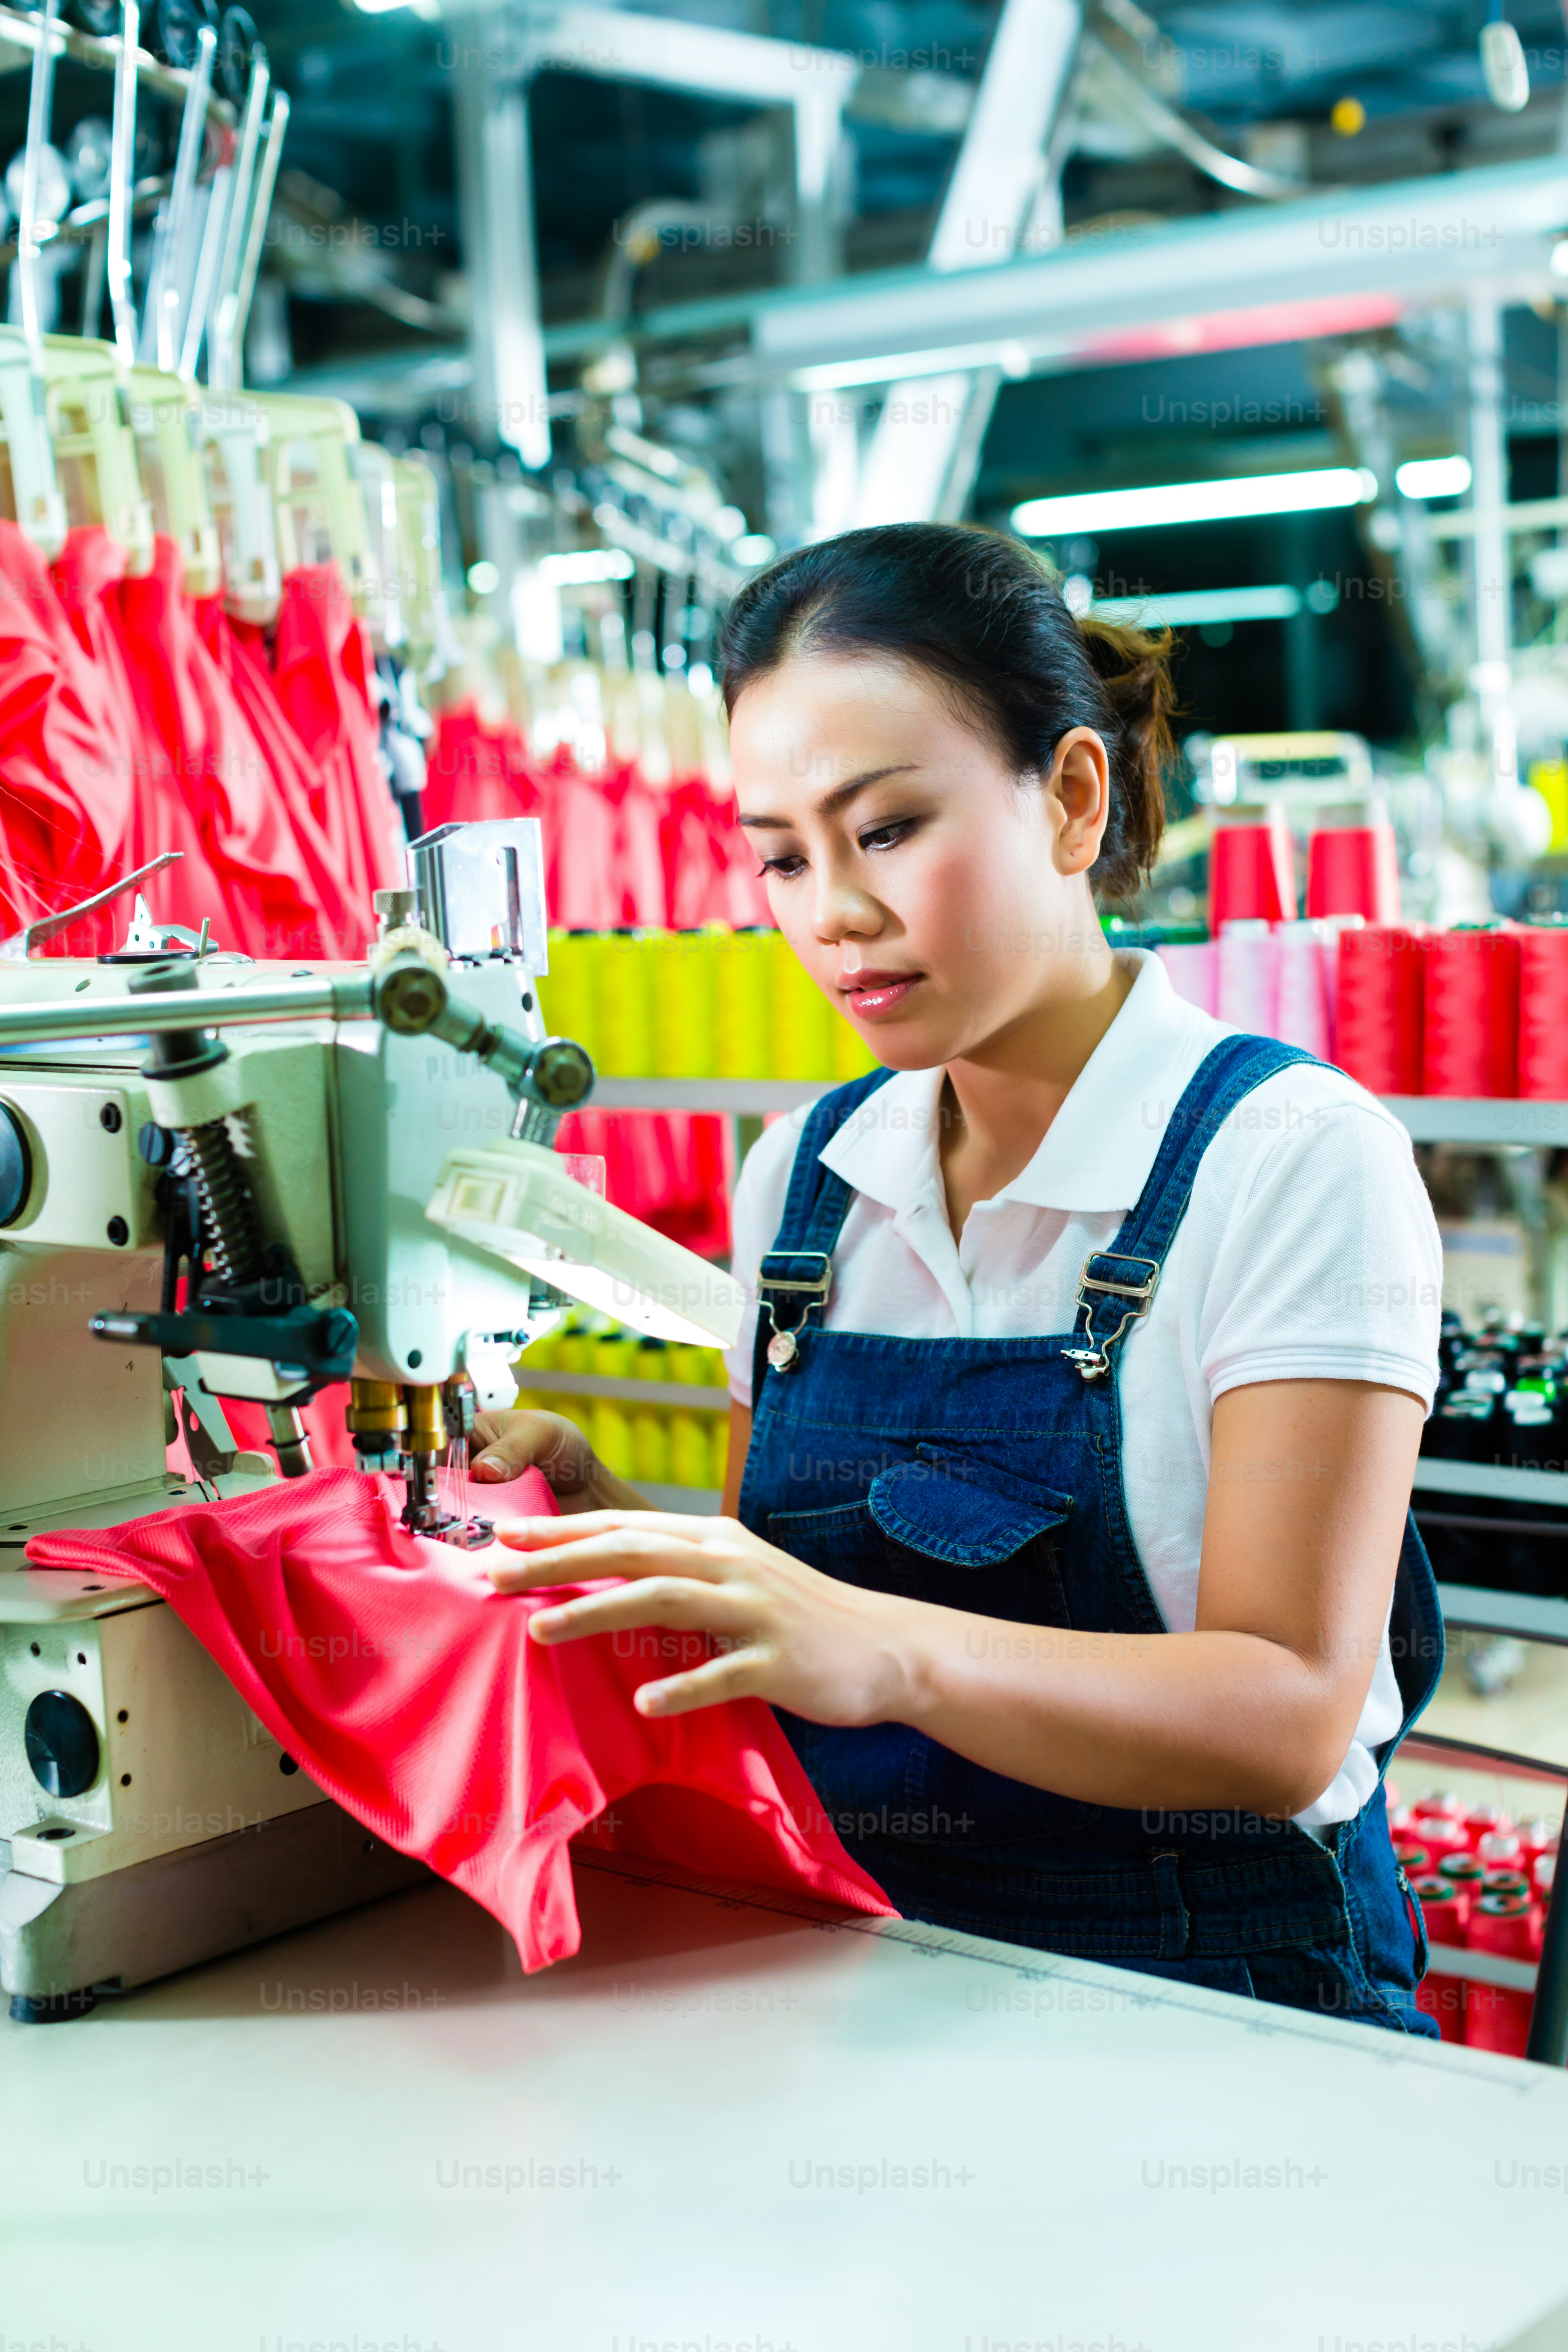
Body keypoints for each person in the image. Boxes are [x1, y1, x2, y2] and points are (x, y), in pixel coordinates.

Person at [468, 521, 1444, 2033]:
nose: (831, 913)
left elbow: (1289, 1711)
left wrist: (893, 1655)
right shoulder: (803, 1177)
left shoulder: (1293, 1160)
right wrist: (634, 1541)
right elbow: (812, 1611)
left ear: (1068, 797)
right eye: (781, 857)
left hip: (1213, 1995)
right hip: (868, 1952)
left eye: (888, 829)